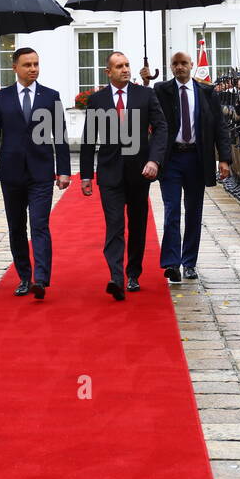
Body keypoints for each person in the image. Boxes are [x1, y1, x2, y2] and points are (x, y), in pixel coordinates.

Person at [0, 47, 72, 299]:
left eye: (36, 64)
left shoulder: (50, 96)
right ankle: (24, 276)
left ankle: (40, 279)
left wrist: (63, 170)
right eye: (27, 65)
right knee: (17, 227)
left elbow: (60, 136)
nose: (33, 69)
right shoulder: (2, 98)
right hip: (10, 174)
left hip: (41, 173)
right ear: (15, 68)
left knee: (40, 225)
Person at [80, 51, 168, 299]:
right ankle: (116, 277)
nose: (125, 70)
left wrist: (154, 160)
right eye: (119, 66)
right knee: (115, 225)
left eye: (127, 65)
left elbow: (161, 128)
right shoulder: (97, 100)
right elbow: (89, 138)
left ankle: (133, 274)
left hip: (140, 172)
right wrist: (86, 175)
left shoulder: (145, 94)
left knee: (138, 225)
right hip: (109, 173)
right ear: (109, 72)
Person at [154, 50, 231, 282]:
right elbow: (147, 111)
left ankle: (189, 263)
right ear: (171, 67)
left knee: (194, 212)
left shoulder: (206, 92)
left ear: (191, 65)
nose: (179, 67)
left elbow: (220, 126)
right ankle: (171, 264)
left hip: (197, 159)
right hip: (172, 160)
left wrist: (225, 158)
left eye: (183, 63)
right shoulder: (162, 91)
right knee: (171, 212)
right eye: (175, 64)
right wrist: (146, 80)